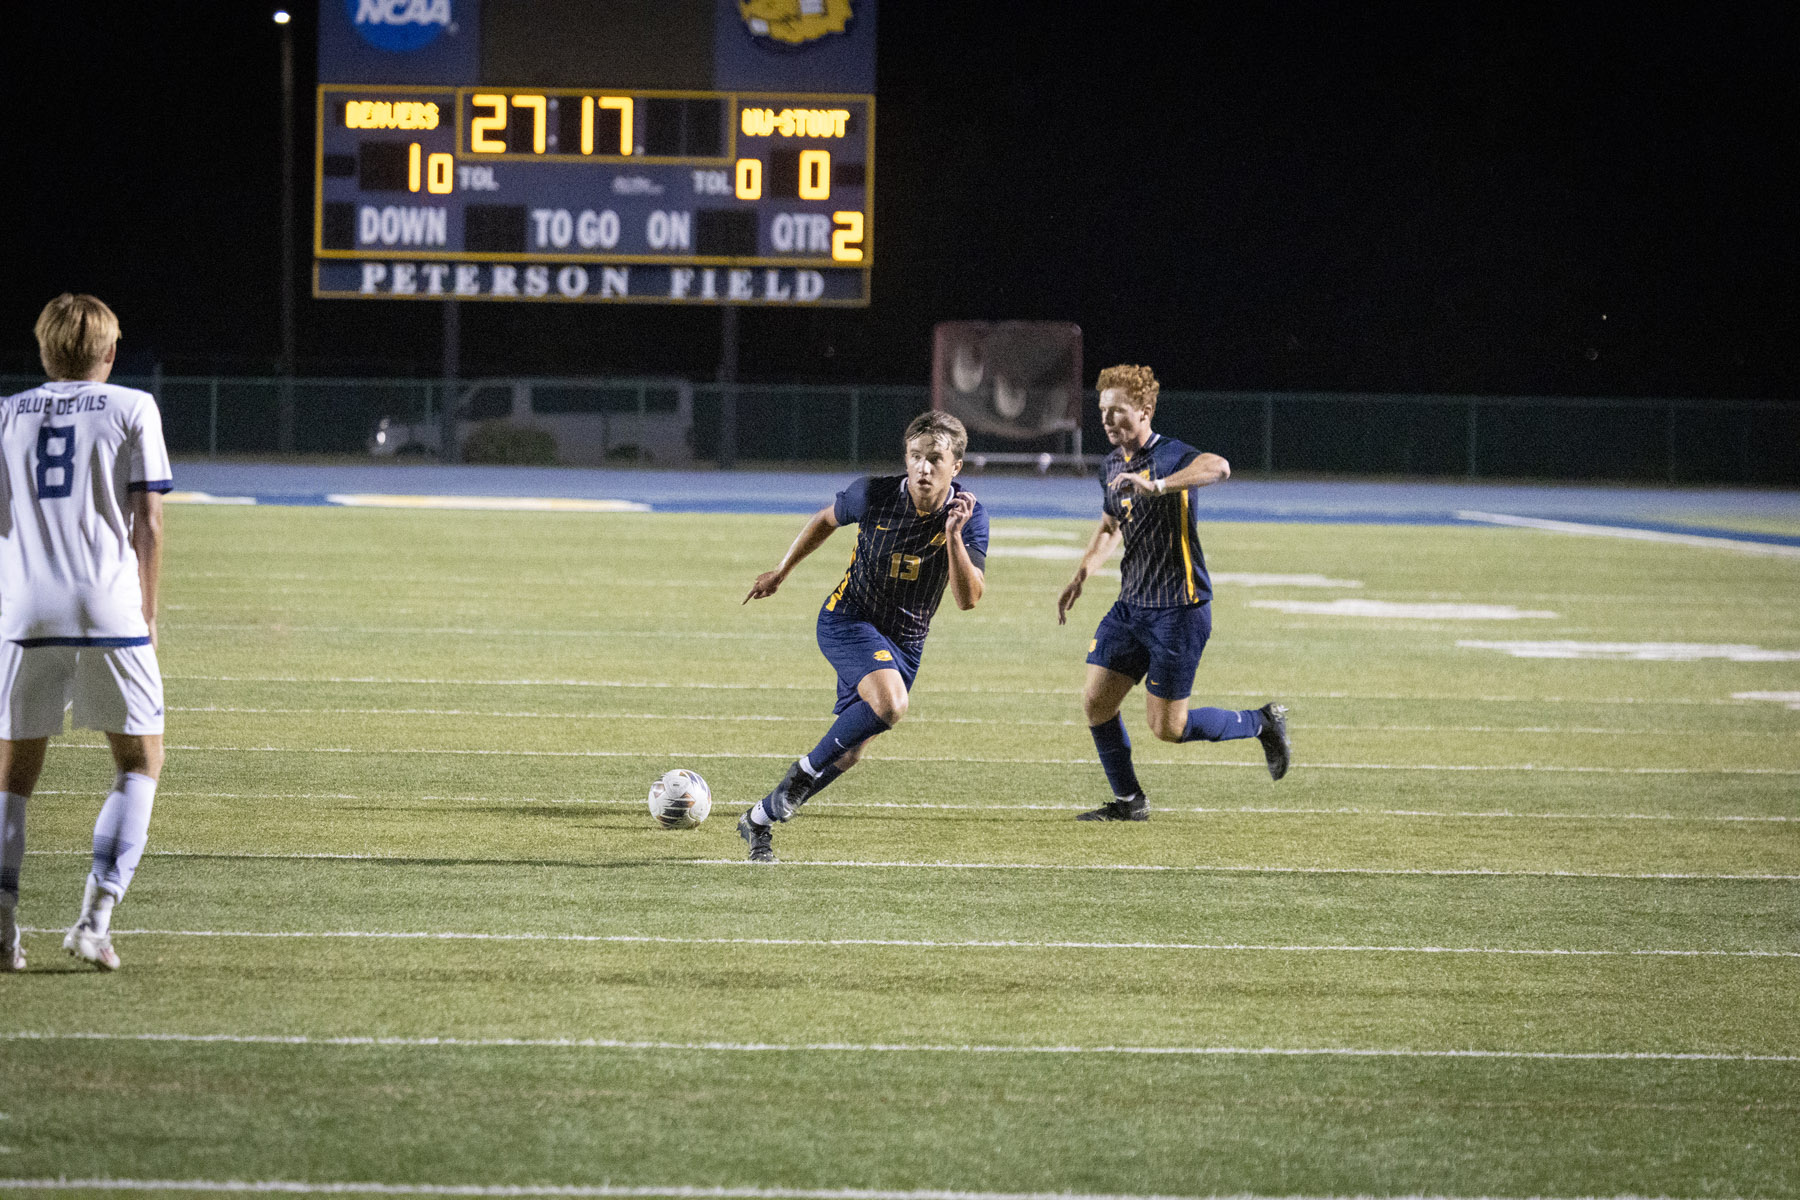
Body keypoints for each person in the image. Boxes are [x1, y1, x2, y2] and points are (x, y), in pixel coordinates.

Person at [0, 294, 171, 971]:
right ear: (110, 352)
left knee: (12, 777)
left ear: (44, 350)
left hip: (26, 611)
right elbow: (148, 522)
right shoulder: (133, 406)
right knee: (139, 761)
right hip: (109, 610)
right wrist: (148, 614)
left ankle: (2, 930)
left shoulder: (7, 413)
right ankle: (93, 922)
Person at [738, 410, 988, 861]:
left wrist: (953, 536)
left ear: (956, 466)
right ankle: (801, 773)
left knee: (849, 754)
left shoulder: (970, 516)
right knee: (891, 705)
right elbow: (824, 520)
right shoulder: (873, 494)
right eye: (915, 456)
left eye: (935, 458)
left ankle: (758, 819)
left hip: (905, 643)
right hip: (848, 620)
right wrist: (781, 571)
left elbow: (968, 599)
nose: (923, 467)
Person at [1056, 364, 1289, 820]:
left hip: (1179, 609)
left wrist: (1158, 485)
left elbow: (1219, 467)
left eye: (1117, 410)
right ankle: (1130, 802)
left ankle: (1262, 721)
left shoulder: (1173, 456)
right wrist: (1082, 573)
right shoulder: (1110, 465)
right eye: (1102, 410)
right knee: (1096, 703)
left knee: (1168, 727)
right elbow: (1110, 525)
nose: (1106, 419)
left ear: (1145, 411)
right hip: (1131, 607)